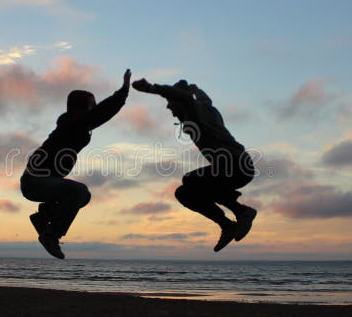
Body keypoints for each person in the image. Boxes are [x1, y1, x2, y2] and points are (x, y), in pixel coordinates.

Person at [132, 78, 257, 251]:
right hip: (234, 168)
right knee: (184, 193)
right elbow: (206, 99)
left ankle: (242, 212)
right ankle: (228, 225)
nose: (168, 107)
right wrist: (197, 90)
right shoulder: (205, 108)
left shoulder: (193, 111)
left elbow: (186, 98)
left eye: (170, 102)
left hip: (235, 164)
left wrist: (151, 88)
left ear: (180, 99)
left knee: (190, 181)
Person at [21, 69, 131, 259]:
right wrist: (123, 91)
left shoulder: (78, 123)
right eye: (92, 103)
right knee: (79, 191)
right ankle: (51, 235)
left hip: (43, 181)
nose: (95, 106)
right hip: (34, 182)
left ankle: (44, 216)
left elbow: (100, 115)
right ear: (82, 106)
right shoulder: (72, 120)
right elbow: (102, 112)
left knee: (84, 196)